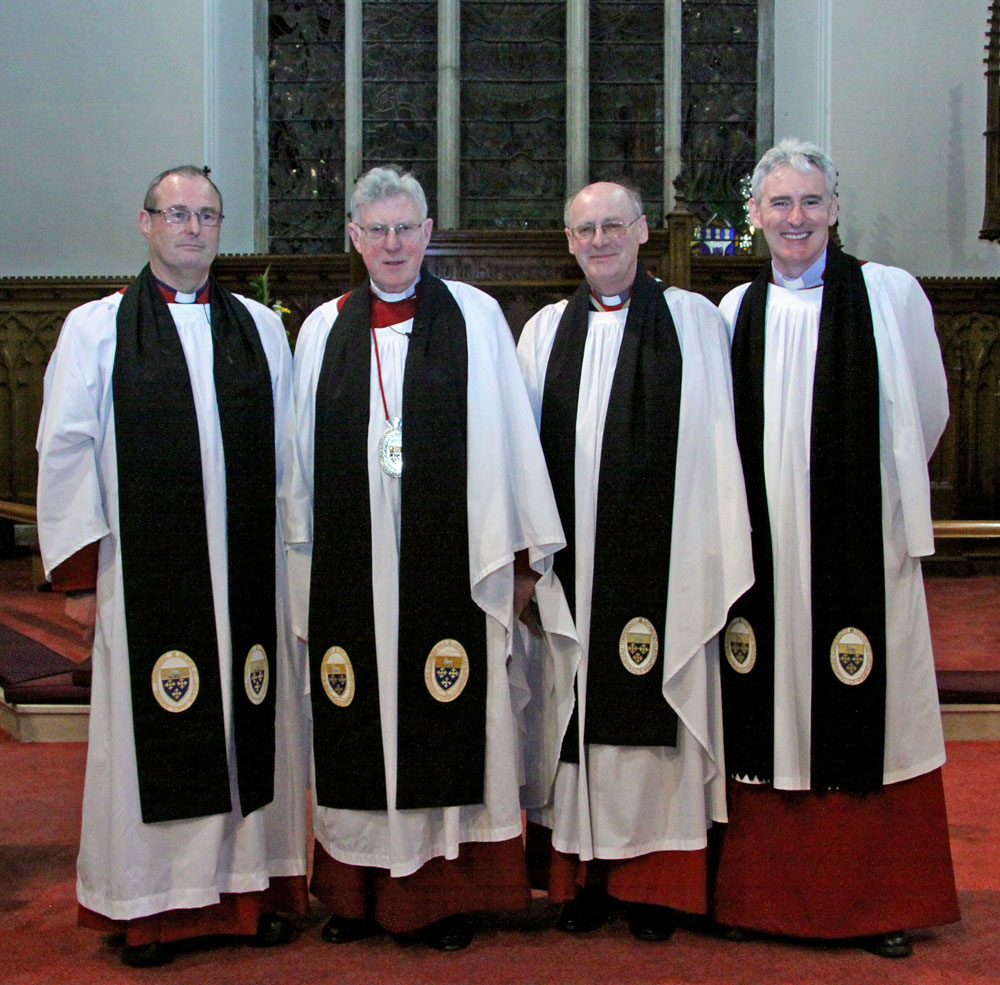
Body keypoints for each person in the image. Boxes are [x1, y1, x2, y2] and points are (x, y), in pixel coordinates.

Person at [35, 166, 309, 967]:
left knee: (248, 727)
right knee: (154, 733)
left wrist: (297, 559)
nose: (192, 227)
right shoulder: (97, 328)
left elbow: (291, 456)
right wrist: (79, 574)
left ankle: (249, 892)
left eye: (207, 215)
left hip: (249, 575)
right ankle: (151, 908)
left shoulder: (258, 328)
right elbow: (65, 449)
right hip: (143, 578)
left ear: (221, 228)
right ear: (146, 222)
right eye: (177, 213)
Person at [285, 165, 564, 951]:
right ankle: (355, 890)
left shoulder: (473, 316)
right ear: (354, 237)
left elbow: (512, 438)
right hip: (354, 566)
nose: (393, 243)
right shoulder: (323, 328)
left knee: (449, 708)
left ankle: (446, 895)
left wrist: (517, 558)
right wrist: (301, 560)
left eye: (406, 227)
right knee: (356, 712)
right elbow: (298, 463)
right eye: (377, 229)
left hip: (453, 567)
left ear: (428, 232)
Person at [713, 138, 960, 958]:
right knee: (767, 706)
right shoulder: (734, 312)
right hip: (763, 562)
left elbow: (927, 409)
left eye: (811, 201)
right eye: (780, 203)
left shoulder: (887, 295)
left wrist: (873, 504)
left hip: (862, 551)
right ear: (755, 214)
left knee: (869, 712)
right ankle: (759, 896)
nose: (797, 218)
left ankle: (877, 901)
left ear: (836, 209)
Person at [516, 181, 752, 941]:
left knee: (657, 715)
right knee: (574, 711)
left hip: (667, 562)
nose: (600, 240)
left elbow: (719, 445)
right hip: (572, 568)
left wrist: (710, 556)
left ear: (644, 230)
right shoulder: (544, 332)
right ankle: (583, 878)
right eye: (585, 229)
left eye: (613, 225)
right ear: (569, 241)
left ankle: (654, 885)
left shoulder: (693, 321)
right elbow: (521, 455)